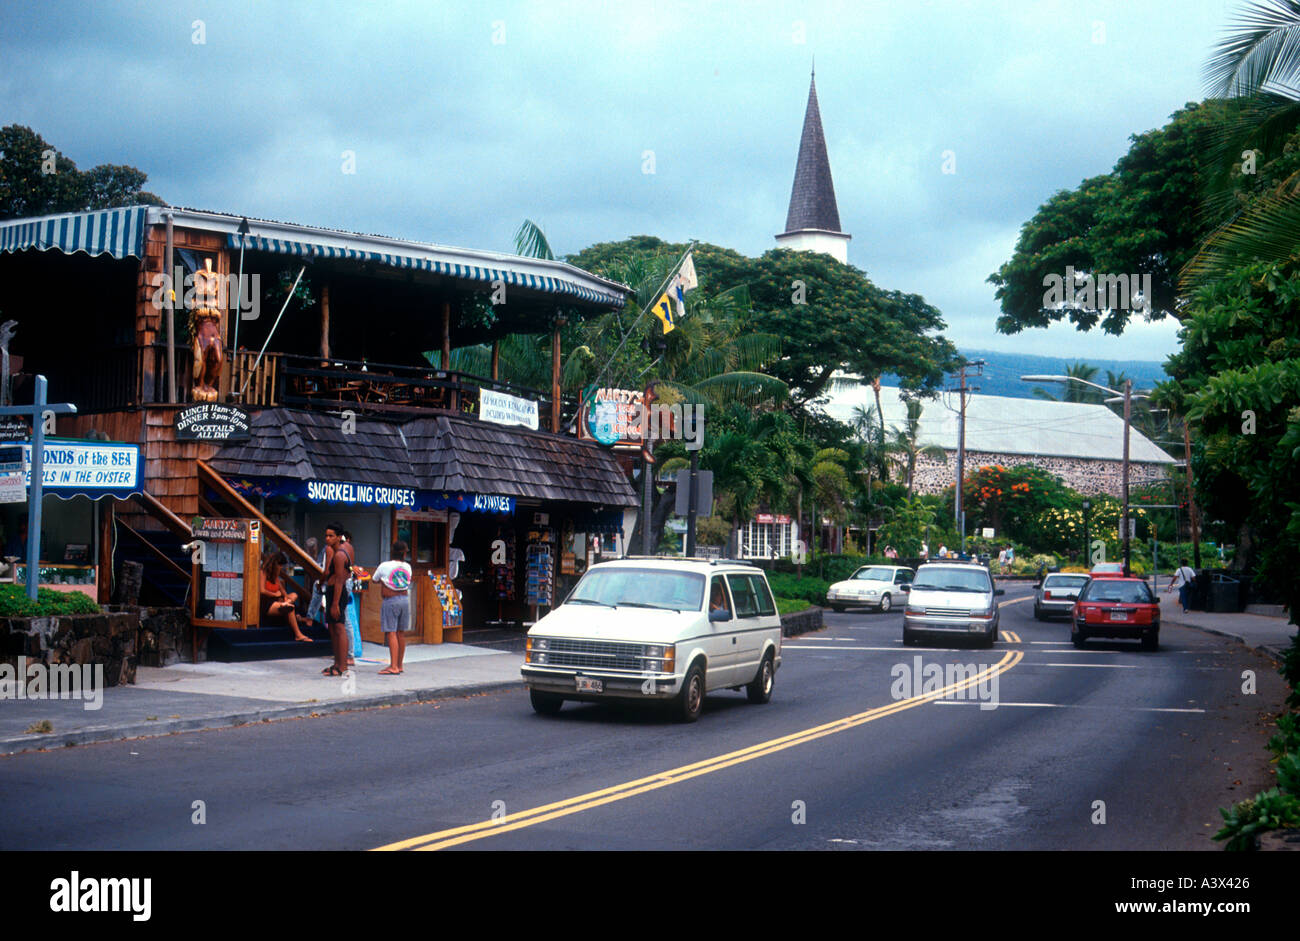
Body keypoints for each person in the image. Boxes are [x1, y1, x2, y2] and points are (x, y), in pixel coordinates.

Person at [373, 540, 413, 675]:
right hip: (405, 600)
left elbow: (374, 579)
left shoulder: (384, 566)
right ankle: (399, 665)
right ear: (405, 553)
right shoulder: (408, 567)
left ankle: (393, 666)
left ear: (391, 551)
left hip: (390, 600)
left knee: (391, 632)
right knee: (400, 633)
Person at [322, 522, 353, 676]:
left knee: (339, 628)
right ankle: (338, 663)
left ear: (338, 537)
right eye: (326, 535)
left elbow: (339, 580)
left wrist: (335, 604)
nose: (327, 539)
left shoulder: (339, 554)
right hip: (335, 590)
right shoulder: (347, 547)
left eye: (331, 536)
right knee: (334, 628)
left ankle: (342, 666)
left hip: (337, 592)